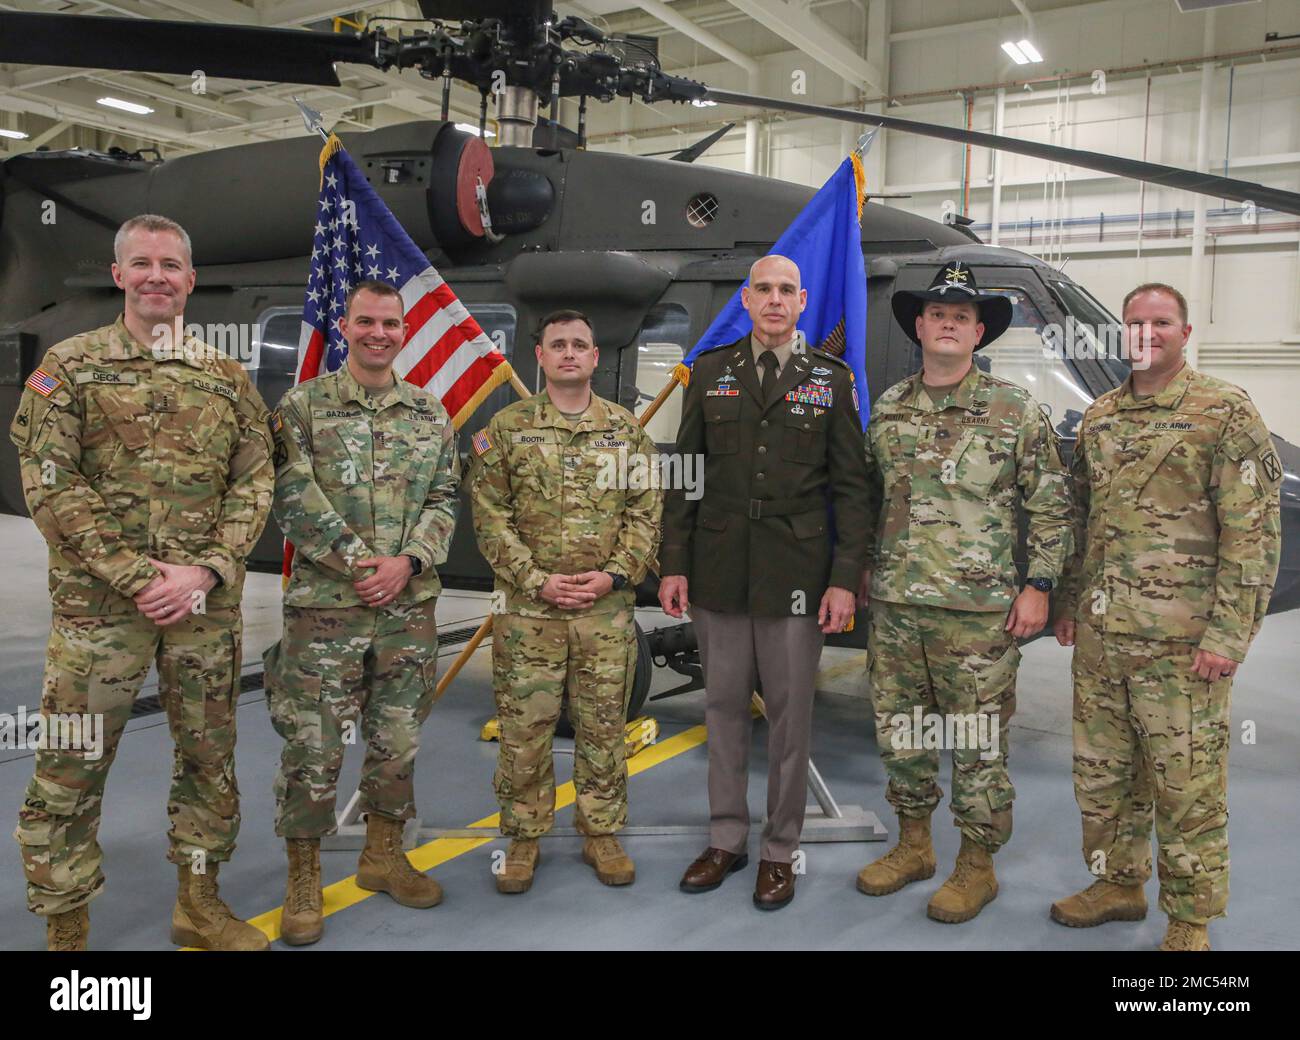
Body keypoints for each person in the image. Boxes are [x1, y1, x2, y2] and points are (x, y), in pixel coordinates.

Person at [9, 214, 274, 951]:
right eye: (143, 263)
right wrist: (138, 578)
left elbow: (254, 484)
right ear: (119, 274)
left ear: (190, 280)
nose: (158, 275)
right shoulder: (67, 369)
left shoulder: (227, 378)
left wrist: (205, 571)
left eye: (171, 264)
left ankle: (198, 904)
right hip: (100, 615)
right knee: (71, 765)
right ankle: (67, 927)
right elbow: (51, 487)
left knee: (209, 761)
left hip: (203, 612)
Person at [1049, 283, 1282, 952]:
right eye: (1134, 322)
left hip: (1182, 645)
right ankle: (1118, 883)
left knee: (1186, 786)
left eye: (1161, 322)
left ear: (1185, 333)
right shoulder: (1101, 415)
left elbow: (1253, 533)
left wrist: (1229, 634)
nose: (1146, 332)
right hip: (1102, 638)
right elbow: (1081, 519)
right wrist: (1068, 602)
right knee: (1101, 779)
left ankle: (1190, 918)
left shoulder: (1224, 411)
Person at [856, 261, 1072, 923]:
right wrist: (865, 570)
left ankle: (976, 866)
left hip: (979, 616)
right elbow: (870, 501)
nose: (948, 323)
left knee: (978, 745)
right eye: (938, 314)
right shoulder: (889, 410)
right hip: (897, 610)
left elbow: (1053, 507)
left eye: (962, 316)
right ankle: (914, 844)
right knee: (902, 735)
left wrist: (1039, 586)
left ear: (978, 333)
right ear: (920, 327)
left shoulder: (1013, 410)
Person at [660, 254, 871, 910]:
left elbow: (852, 490)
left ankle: (780, 849)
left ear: (802, 302)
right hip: (721, 568)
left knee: (789, 718)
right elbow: (687, 472)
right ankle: (726, 838)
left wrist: (843, 579)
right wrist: (674, 561)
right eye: (764, 290)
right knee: (721, 709)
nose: (775, 300)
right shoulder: (712, 372)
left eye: (786, 290)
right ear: (746, 301)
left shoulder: (831, 381)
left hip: (796, 574)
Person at [266, 280, 460, 945]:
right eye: (367, 322)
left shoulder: (430, 413)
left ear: (405, 331)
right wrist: (358, 562)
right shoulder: (302, 407)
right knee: (314, 746)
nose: (380, 333)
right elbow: (291, 493)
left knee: (397, 740)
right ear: (344, 326)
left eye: (391, 323)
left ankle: (382, 854)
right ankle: (304, 876)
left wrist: (407, 562)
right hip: (327, 611)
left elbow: (445, 497)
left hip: (406, 607)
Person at [469, 309, 661, 894]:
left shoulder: (626, 432)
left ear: (595, 357)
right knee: (526, 726)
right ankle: (524, 835)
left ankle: (600, 830)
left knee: (604, 725)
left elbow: (644, 514)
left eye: (581, 344)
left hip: (604, 611)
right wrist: (535, 580)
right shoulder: (505, 429)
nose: (570, 353)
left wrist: (611, 576)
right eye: (559, 345)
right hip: (529, 614)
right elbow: (488, 515)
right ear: (542, 356)